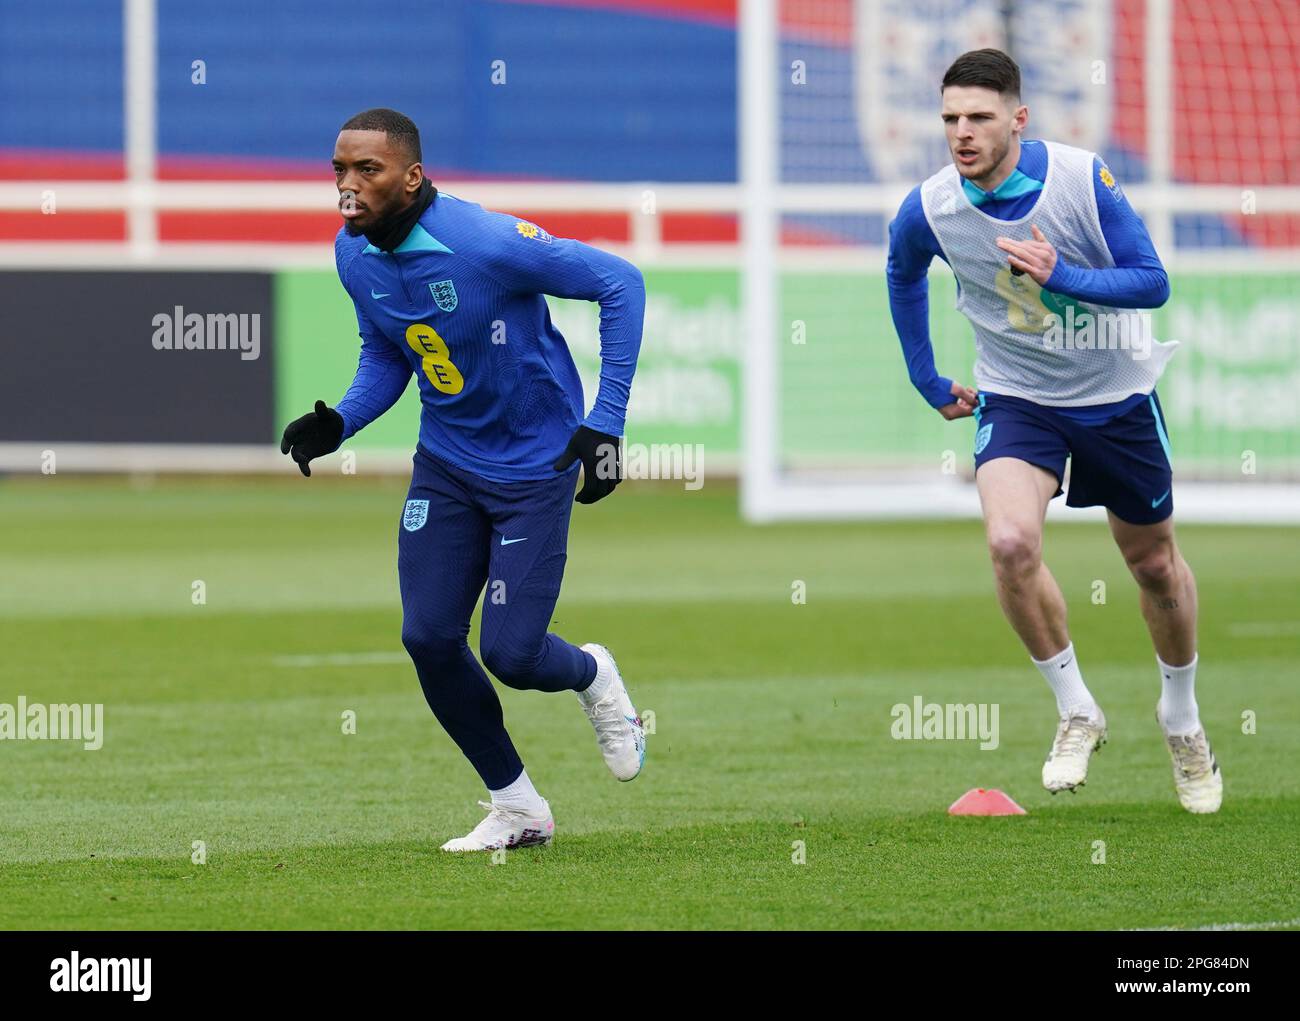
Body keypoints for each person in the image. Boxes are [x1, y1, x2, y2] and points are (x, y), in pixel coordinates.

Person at [281, 108, 647, 850]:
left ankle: (591, 672)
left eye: (368, 171)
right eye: (339, 171)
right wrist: (343, 420)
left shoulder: (484, 243)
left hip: (533, 468)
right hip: (446, 466)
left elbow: (621, 282)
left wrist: (605, 423)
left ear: (412, 176)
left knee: (511, 655)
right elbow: (390, 354)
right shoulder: (353, 254)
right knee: (427, 635)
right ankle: (517, 806)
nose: (348, 188)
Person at [886, 50, 1220, 812]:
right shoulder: (931, 206)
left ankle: (1182, 715)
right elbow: (901, 271)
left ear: (1018, 118)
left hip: (1114, 393)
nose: (962, 134)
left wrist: (1059, 270)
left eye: (978, 118)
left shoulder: (1079, 177)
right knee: (1009, 544)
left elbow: (1153, 281)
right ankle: (1076, 707)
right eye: (949, 120)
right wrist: (925, 376)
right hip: (1017, 396)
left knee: (1155, 566)